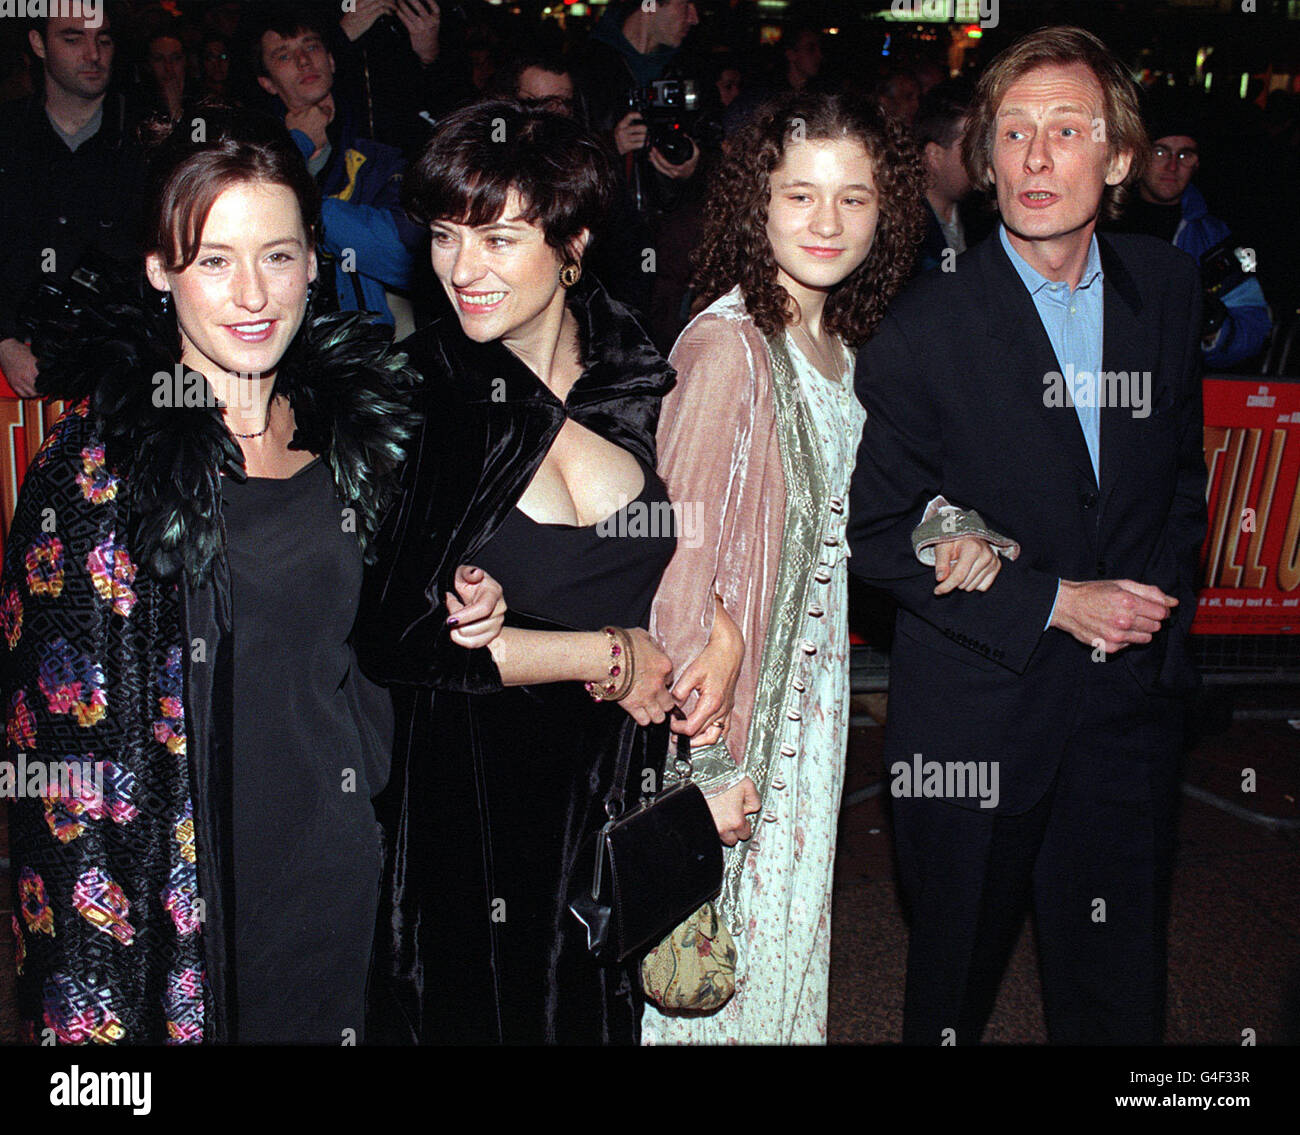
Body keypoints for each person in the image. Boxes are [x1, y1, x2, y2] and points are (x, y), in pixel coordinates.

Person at [2, 107, 504, 1045]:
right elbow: (56, 776)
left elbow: (391, 638)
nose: (251, 293)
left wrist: (467, 596)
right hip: (180, 904)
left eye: (277, 255)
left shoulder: (360, 441)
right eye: (213, 259)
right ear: (160, 271)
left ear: (317, 261)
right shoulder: (92, 473)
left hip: (345, 867)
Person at [354, 100, 744, 1046]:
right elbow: (389, 635)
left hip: (608, 783)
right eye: (445, 237)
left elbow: (695, 540)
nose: (460, 269)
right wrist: (607, 655)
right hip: (473, 799)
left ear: (571, 239)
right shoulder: (420, 394)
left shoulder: (639, 374)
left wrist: (718, 636)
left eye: (496, 238)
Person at [847, 26, 1207, 1045]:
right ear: (983, 155)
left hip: (1126, 711)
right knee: (953, 980)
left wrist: (1144, 602)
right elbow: (877, 530)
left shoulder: (1168, 291)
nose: (1036, 158)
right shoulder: (923, 327)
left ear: (1121, 159)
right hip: (978, 718)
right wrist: (1052, 600)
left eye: (1065, 130)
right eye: (1012, 132)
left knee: (1115, 981)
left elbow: (1182, 481)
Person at [642, 91, 1012, 1046]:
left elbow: (869, 497)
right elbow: (673, 570)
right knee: (710, 980)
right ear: (755, 204)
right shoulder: (725, 346)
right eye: (800, 194)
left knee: (780, 968)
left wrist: (948, 523)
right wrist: (707, 762)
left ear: (886, 210)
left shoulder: (842, 341)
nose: (826, 221)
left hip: (811, 705)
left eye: (853, 198)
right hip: (737, 719)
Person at [244, 2, 424, 329]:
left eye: (311, 46)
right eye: (283, 55)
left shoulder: (376, 158)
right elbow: (247, 219)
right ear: (267, 83)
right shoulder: (251, 156)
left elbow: (405, 255)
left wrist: (305, 211)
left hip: (364, 353)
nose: (303, 60)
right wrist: (297, 143)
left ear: (330, 60)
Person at [0, 5, 143, 398]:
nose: (93, 54)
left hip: (126, 380)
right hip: (16, 381)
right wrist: (5, 342)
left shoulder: (147, 141)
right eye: (72, 38)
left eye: (104, 40)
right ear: (38, 44)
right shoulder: (9, 137)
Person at [1110, 111, 1271, 369]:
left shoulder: (1214, 237)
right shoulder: (1099, 222)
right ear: (1138, 156)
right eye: (1160, 151)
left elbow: (1254, 324)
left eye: (1185, 155)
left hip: (1176, 384)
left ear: (1197, 164)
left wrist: (1213, 328)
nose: (1172, 166)